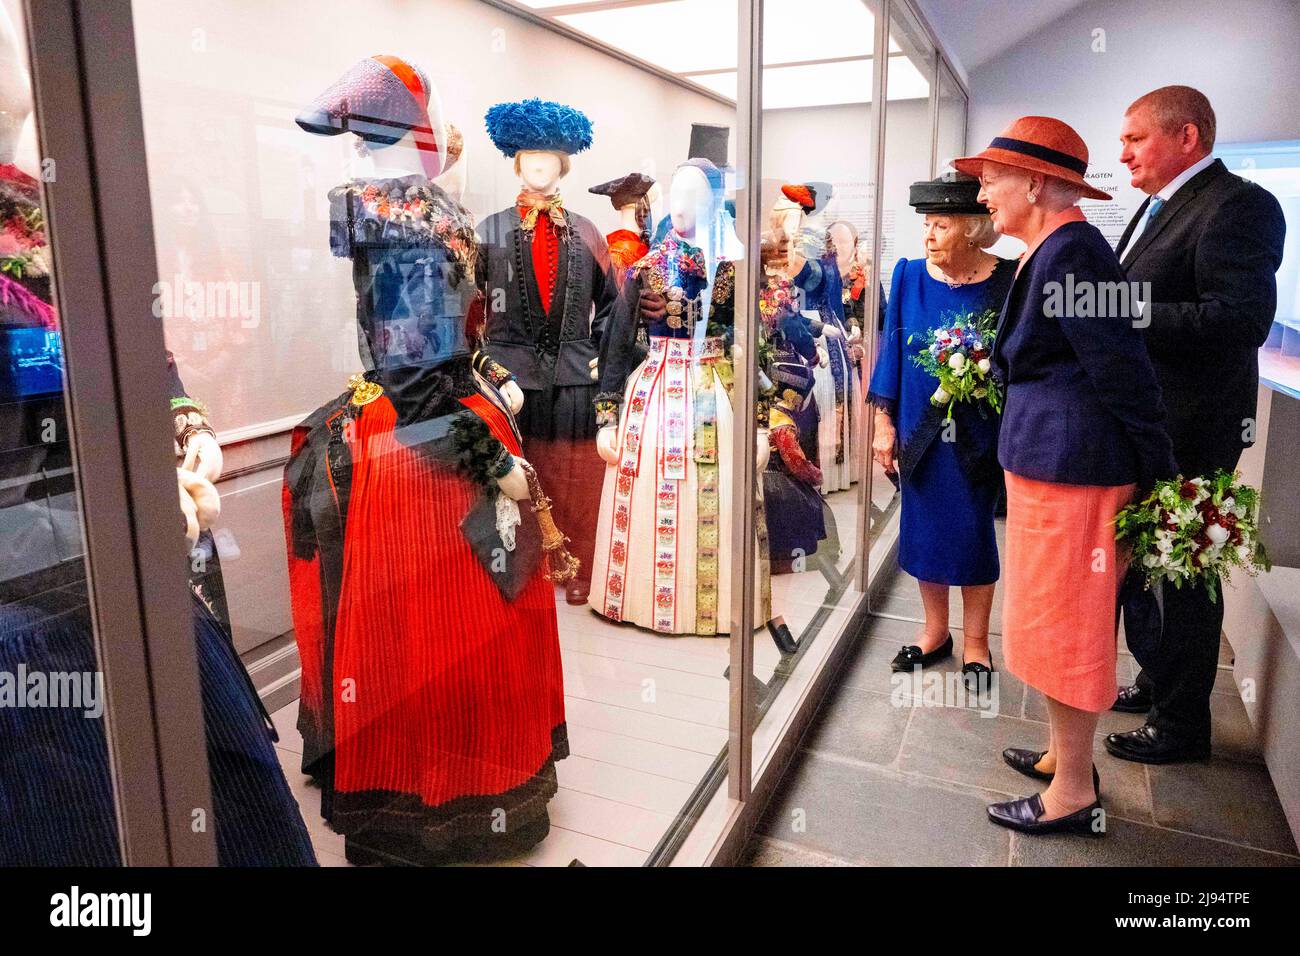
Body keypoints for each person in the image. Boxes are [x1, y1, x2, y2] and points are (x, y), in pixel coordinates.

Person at [954, 117, 1177, 836]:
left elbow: (1124, 370)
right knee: (1050, 623)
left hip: (1077, 474)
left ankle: (1073, 793)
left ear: (1036, 182)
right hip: (1055, 468)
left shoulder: (1074, 253)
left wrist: (1160, 474)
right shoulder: (1053, 249)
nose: (982, 192)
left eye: (990, 178)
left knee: (1068, 629)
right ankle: (1062, 756)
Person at [1107, 86, 1286, 764]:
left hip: (1199, 427)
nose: (1121, 152)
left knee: (1185, 575)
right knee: (1155, 566)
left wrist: (1125, 313)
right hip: (1158, 425)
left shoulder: (1240, 205)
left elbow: (1240, 320)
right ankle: (1159, 683)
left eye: (1134, 138)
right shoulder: (1165, 208)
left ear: (1187, 138)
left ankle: (1182, 726)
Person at [866, 172, 1014, 677]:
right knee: (924, 529)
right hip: (920, 432)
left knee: (973, 532)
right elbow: (891, 355)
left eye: (940, 225)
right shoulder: (908, 274)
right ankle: (935, 633)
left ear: (972, 229)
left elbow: (1017, 359)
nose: (927, 235)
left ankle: (977, 643)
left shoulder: (1008, 278)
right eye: (926, 224)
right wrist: (883, 423)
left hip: (977, 433)